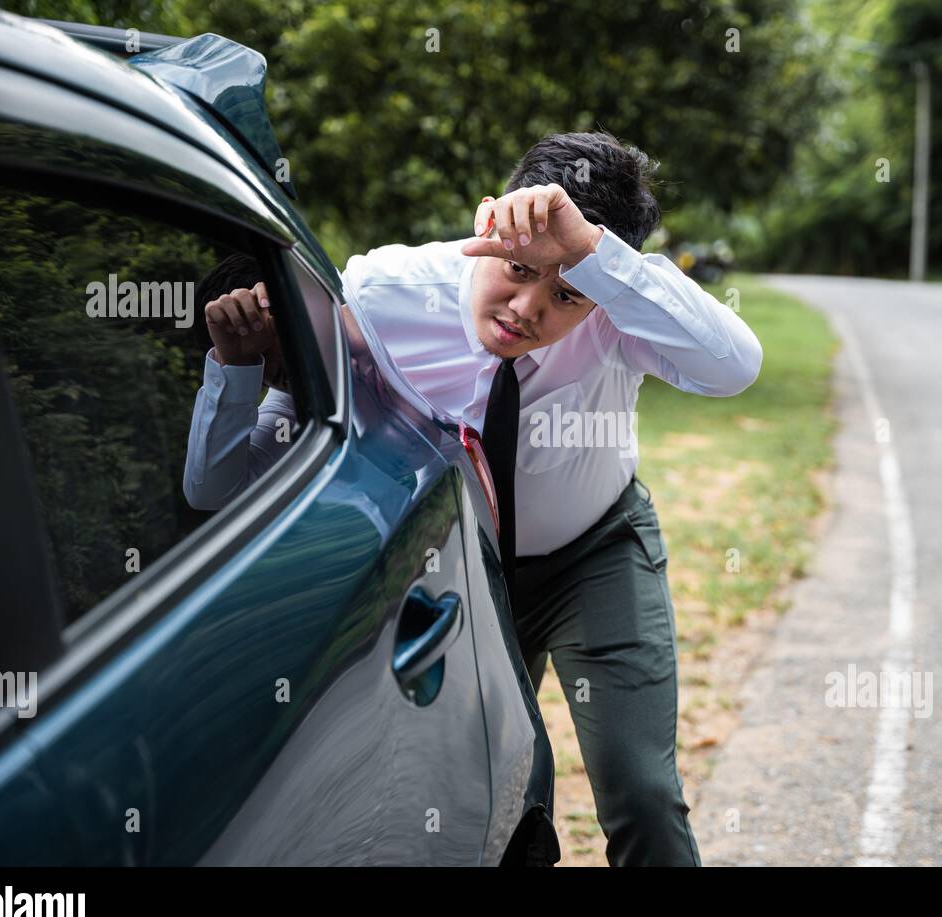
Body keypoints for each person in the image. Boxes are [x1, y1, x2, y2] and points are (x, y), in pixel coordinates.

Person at [183, 131, 764, 865]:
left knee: (644, 791)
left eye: (565, 293)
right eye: (517, 270)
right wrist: (235, 374)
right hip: (458, 573)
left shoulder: (619, 308)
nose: (527, 308)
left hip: (595, 552)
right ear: (488, 221)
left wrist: (600, 260)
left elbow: (735, 367)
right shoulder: (378, 296)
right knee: (469, 803)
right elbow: (222, 481)